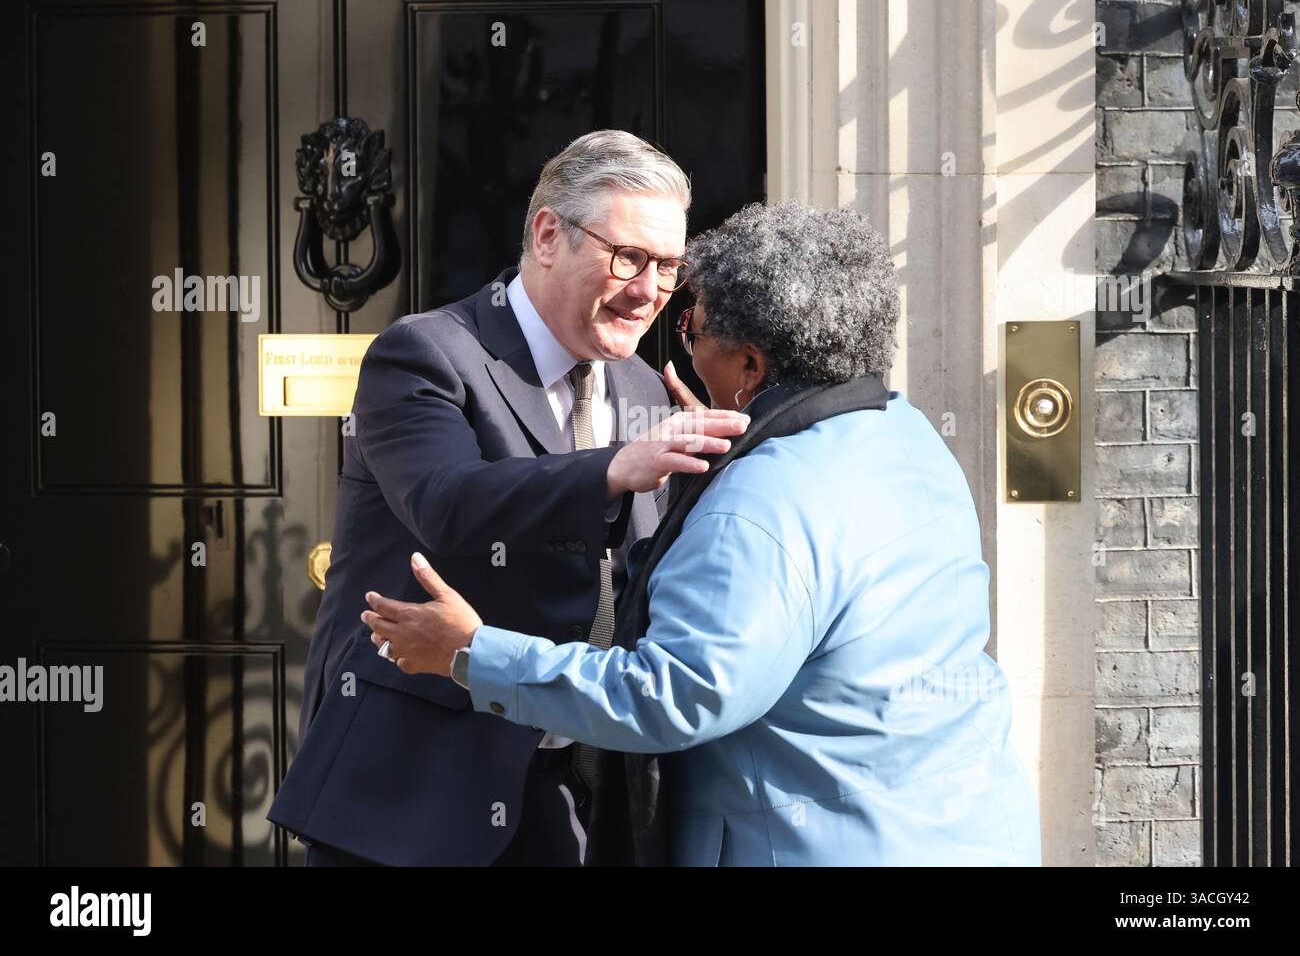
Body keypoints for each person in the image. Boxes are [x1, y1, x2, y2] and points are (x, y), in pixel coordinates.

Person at [362, 200, 1043, 866]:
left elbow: (672, 695)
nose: (678, 342)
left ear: (750, 368)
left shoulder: (764, 495)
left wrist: (473, 653)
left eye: (693, 327)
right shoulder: (909, 435)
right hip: (968, 825)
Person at [267, 130, 749, 866]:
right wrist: (614, 466)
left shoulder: (647, 390)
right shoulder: (424, 353)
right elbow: (446, 500)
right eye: (629, 257)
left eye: (668, 267)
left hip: (571, 800)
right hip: (412, 793)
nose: (651, 289)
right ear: (548, 233)